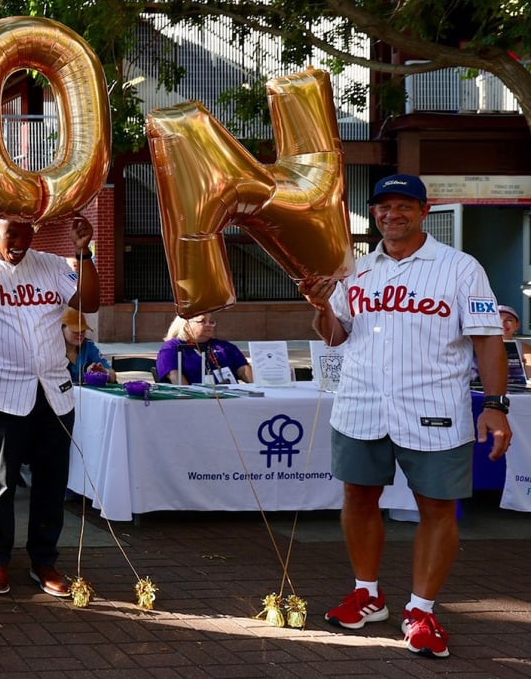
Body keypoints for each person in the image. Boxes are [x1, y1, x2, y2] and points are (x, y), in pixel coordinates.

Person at [298, 174, 513, 659]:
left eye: (403, 206)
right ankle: (368, 595)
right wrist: (318, 306)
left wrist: (496, 407)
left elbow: (487, 339)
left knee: (436, 508)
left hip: (433, 408)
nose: (391, 215)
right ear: (372, 212)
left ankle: (421, 610)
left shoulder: (459, 268)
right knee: (357, 496)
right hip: (361, 405)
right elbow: (335, 335)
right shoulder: (352, 269)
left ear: (424, 210)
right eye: (382, 206)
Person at [0, 214, 98, 600]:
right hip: (3, 391)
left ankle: (43, 560)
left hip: (54, 390)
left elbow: (89, 302)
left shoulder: (51, 264)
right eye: (10, 234)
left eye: (26, 234)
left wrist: (83, 254)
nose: (19, 242)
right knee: (0, 482)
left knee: (51, 481)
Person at [156, 314, 253, 384]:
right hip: (196, 401)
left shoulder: (224, 346)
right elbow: (175, 376)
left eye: (211, 322)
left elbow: (243, 370)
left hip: (232, 399)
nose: (209, 325)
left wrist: (259, 387)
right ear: (186, 326)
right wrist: (191, 399)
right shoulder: (171, 347)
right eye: (202, 321)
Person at [62, 307, 115, 384]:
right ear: (62, 328)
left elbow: (112, 374)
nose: (80, 334)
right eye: (75, 330)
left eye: (83, 330)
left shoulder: (88, 346)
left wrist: (105, 373)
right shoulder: (52, 349)